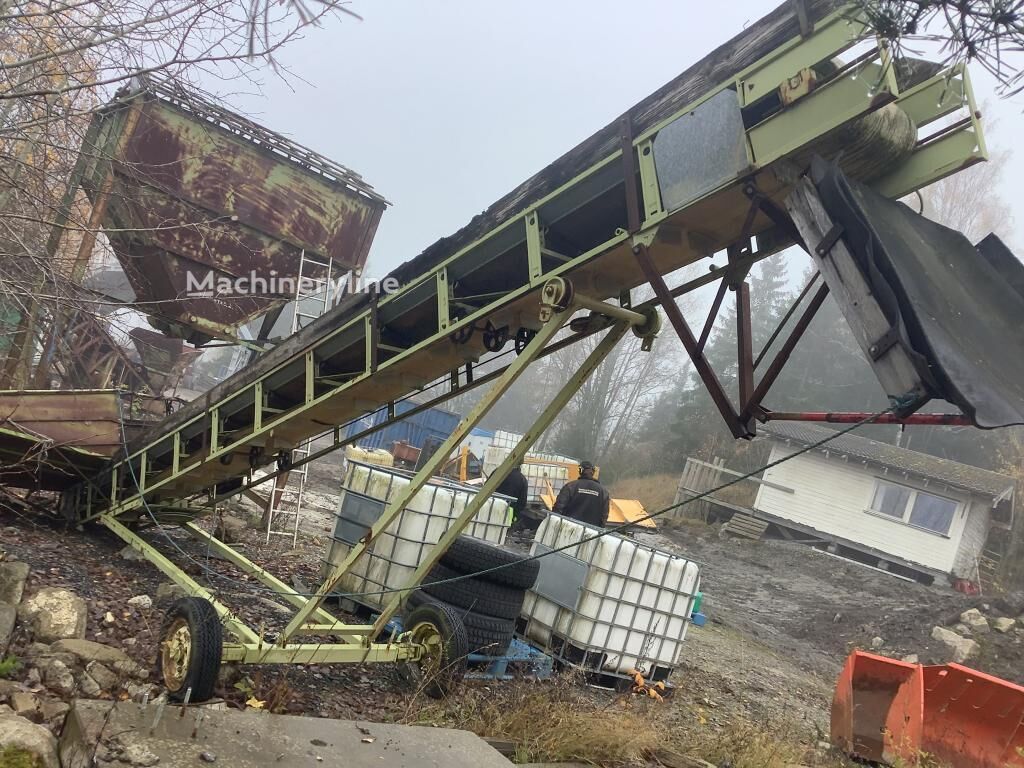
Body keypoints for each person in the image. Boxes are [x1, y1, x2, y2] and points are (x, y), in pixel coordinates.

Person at [552, 460, 609, 527]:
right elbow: (604, 516)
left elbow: (558, 508)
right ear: (593, 472)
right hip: (591, 530)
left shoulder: (570, 487)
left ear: (580, 471)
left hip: (568, 527)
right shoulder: (603, 491)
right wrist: (600, 529)